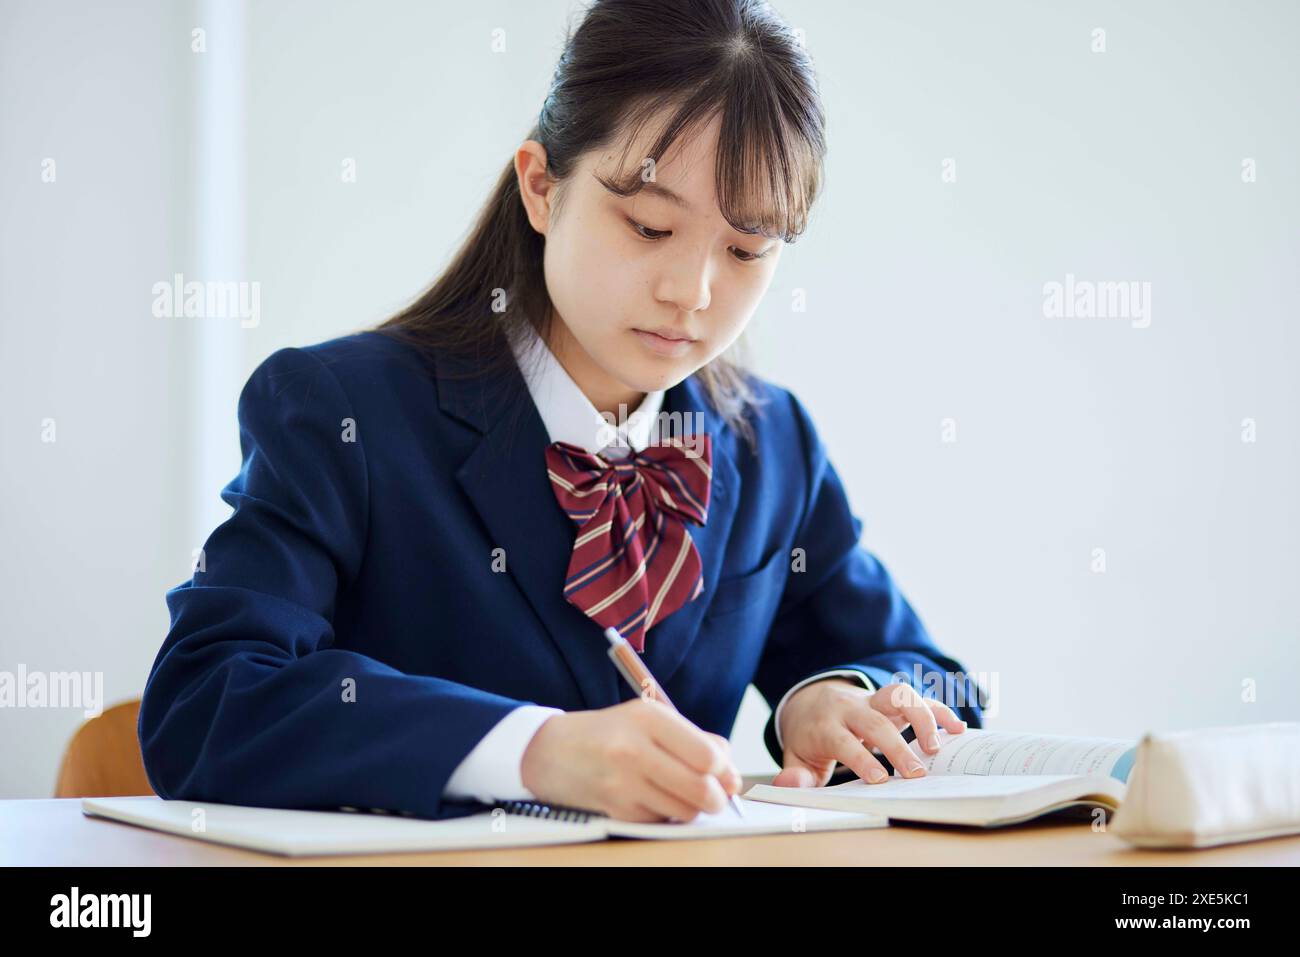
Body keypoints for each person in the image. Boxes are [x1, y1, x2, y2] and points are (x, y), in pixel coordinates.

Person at [139, 0, 984, 824]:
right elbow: (205, 696)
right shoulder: (344, 413)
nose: (690, 293)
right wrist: (532, 748)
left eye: (745, 250)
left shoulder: (770, 443)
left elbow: (940, 679)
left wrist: (835, 694)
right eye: (650, 227)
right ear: (542, 188)